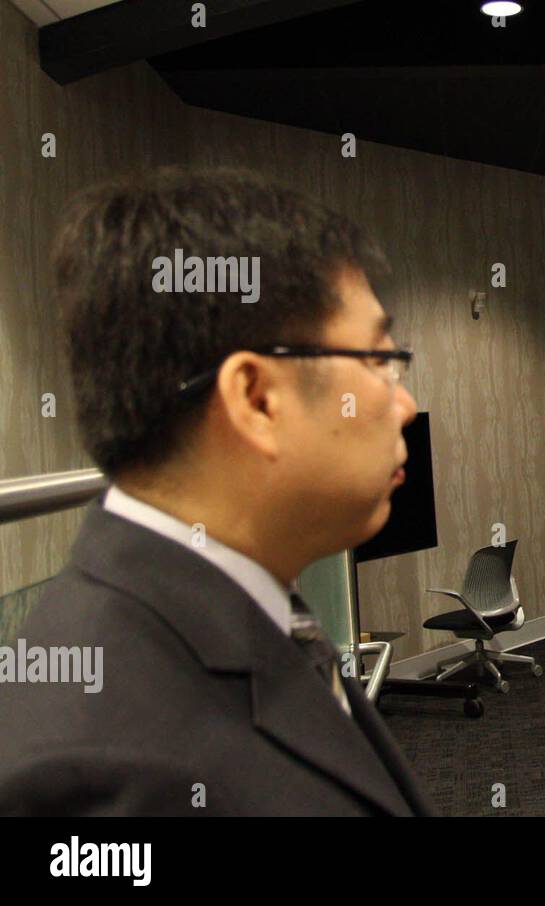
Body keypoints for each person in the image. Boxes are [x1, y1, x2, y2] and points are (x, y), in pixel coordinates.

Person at [0, 167, 430, 816]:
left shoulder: (242, 606)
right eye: (378, 361)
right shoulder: (101, 779)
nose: (405, 405)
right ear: (256, 399)